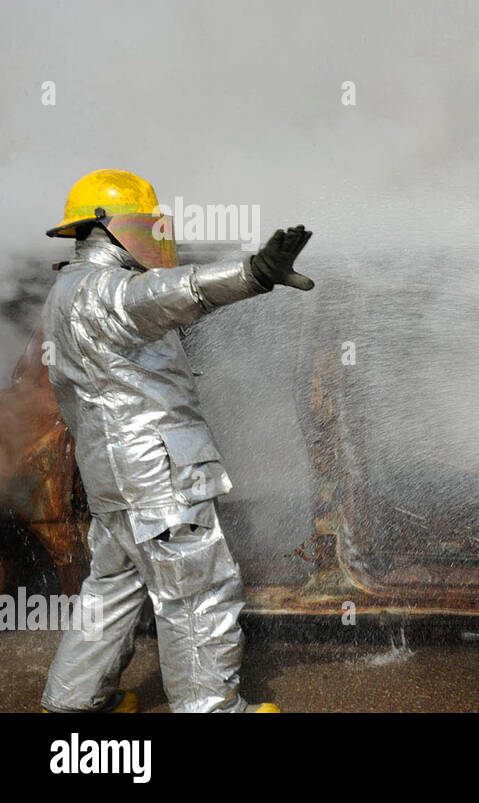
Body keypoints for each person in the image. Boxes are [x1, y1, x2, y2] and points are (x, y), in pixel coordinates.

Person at [39, 169, 315, 713]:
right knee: (198, 594)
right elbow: (171, 292)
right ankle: (210, 709)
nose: (160, 233)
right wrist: (254, 272)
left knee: (111, 591)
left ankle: (70, 704)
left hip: (113, 479)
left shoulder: (65, 290)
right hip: (158, 478)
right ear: (113, 227)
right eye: (149, 223)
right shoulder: (109, 290)